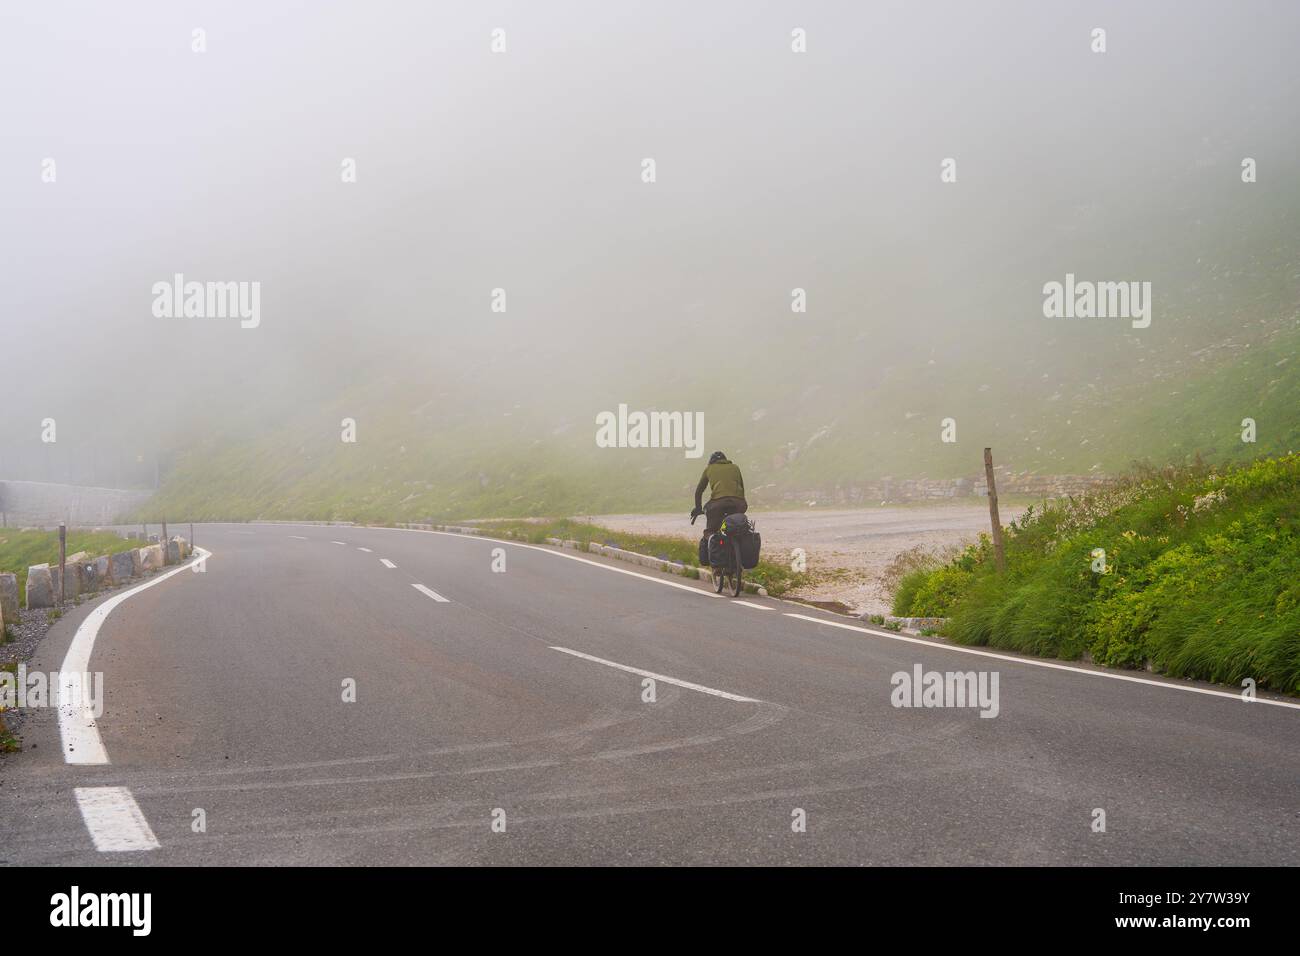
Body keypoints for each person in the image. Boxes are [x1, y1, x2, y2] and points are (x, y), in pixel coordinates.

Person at [691, 451, 747, 543]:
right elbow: (741, 487)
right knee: (739, 525)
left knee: (711, 529)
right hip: (738, 502)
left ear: (711, 461)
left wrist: (698, 508)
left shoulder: (709, 468)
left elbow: (699, 491)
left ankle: (711, 539)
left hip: (718, 504)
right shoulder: (735, 467)